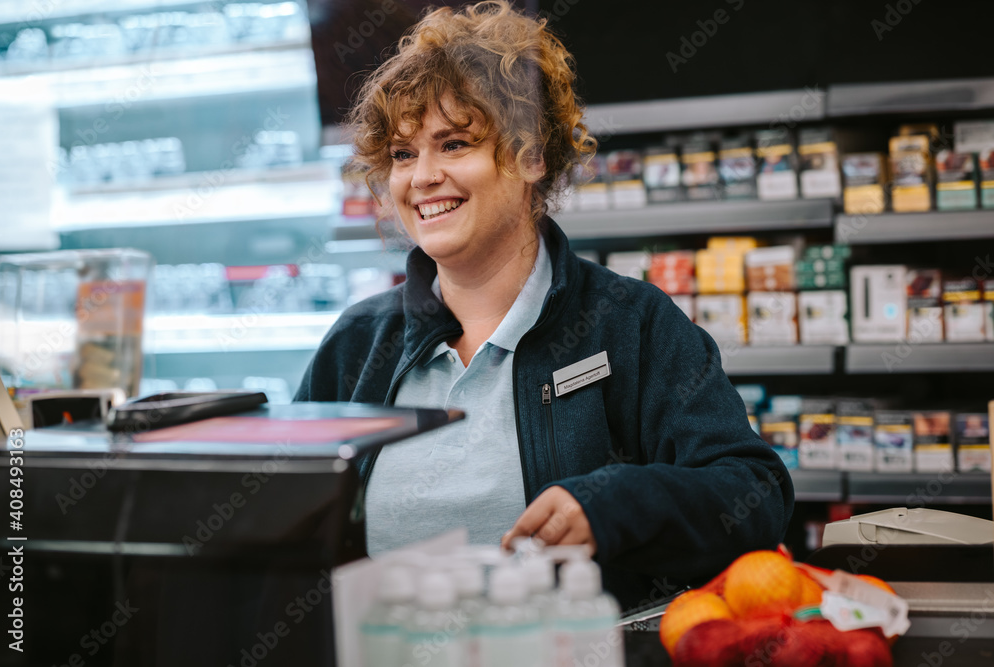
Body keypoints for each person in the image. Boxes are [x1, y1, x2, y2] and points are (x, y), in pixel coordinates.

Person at [295, 0, 794, 609]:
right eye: (402, 154)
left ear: (531, 156)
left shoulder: (627, 323)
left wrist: (614, 504)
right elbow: (290, 523)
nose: (421, 176)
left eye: (453, 144)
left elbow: (755, 493)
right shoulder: (356, 345)